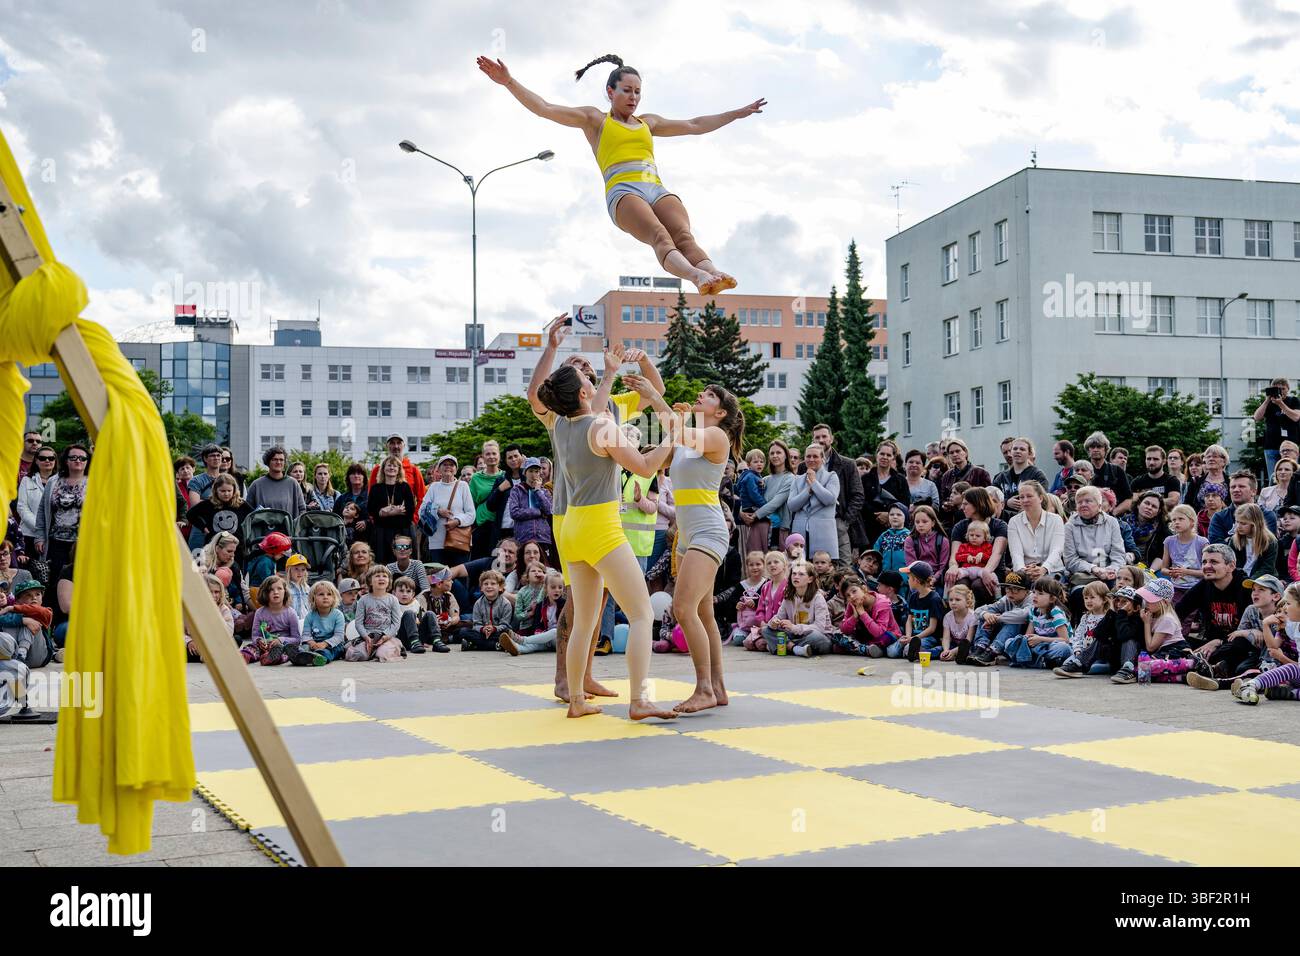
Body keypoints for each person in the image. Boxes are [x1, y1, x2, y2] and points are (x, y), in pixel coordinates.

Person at [479, 53, 762, 294]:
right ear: (610, 92)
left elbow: (695, 124)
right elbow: (545, 108)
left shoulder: (648, 123)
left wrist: (736, 113)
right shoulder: (595, 120)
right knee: (660, 236)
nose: (633, 97)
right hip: (624, 192)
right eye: (627, 90)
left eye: (638, 92)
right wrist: (509, 83)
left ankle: (712, 273)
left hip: (656, 188)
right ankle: (696, 276)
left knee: (685, 237)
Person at [534, 356, 677, 720]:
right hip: (600, 526)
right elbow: (645, 467)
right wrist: (671, 436)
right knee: (642, 614)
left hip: (571, 528)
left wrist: (611, 372)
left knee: (583, 620)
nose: (593, 378)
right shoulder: (602, 425)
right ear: (584, 391)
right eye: (588, 377)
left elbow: (595, 408)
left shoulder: (561, 425)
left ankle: (577, 699)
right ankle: (639, 699)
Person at [630, 376, 744, 711]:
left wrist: (654, 396)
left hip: (708, 531)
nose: (700, 394)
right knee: (703, 613)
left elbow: (682, 434)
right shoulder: (690, 438)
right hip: (687, 535)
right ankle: (718, 689)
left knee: (682, 609)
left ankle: (704, 689)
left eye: (708, 395)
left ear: (720, 412)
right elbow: (653, 458)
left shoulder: (716, 436)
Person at [1062, 485, 1126, 615]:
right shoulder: (1070, 526)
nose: (1083, 504)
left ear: (1099, 504)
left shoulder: (1112, 522)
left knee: (1121, 594)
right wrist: (1094, 569)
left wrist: (1113, 569)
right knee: (1081, 594)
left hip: (1109, 574)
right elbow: (1070, 560)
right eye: (1079, 502)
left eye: (1088, 501)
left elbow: (1118, 554)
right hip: (1085, 575)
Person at [34, 442, 90, 587]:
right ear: (66, 460)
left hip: (83, 542)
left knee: (82, 580)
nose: (78, 460)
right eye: (74, 457)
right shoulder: (54, 481)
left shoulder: (94, 482)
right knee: (55, 580)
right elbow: (42, 510)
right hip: (56, 542)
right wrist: (39, 537)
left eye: (82, 458)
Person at [1176, 543, 1249, 652]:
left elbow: (1253, 630)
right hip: (1209, 642)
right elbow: (1178, 612)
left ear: (1231, 566)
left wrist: (1220, 642)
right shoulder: (1203, 586)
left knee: (1237, 646)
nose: (1206, 566)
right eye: (1204, 562)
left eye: (1213, 562)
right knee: (1178, 646)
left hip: (1239, 643)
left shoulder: (1246, 587)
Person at [809, 424, 866, 557]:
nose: (821, 440)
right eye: (817, 437)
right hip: (813, 522)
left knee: (843, 566)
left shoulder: (848, 464)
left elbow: (858, 495)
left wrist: (845, 521)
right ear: (813, 440)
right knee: (815, 565)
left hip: (838, 521)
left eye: (824, 436)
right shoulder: (803, 466)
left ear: (831, 439)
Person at [761, 560, 832, 658]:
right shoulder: (789, 597)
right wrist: (773, 623)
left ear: (810, 579)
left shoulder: (818, 598)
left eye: (801, 574)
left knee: (816, 637)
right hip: (795, 636)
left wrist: (794, 627)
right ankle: (795, 648)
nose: (796, 576)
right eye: (794, 573)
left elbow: (819, 628)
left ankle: (784, 646)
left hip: (817, 637)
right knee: (766, 630)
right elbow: (778, 617)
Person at [789, 442, 842, 561]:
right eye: (808, 456)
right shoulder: (797, 480)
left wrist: (814, 484)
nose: (811, 459)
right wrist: (808, 491)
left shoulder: (831, 476)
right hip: (800, 533)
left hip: (823, 535)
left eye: (815, 456)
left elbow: (830, 499)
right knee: (800, 571)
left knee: (823, 571)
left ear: (822, 459)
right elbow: (792, 505)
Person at [419, 454, 475, 565]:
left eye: (451, 465)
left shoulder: (463, 486)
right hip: (437, 541)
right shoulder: (433, 487)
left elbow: (471, 514)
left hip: (459, 540)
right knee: (439, 578)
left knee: (459, 577)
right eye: (445, 464)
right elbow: (421, 511)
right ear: (439, 469)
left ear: (456, 469)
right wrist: (438, 511)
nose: (448, 467)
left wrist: (457, 521)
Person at [1006, 480, 1066, 583]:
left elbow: (1057, 550)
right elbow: (1016, 553)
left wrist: (1043, 569)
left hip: (1051, 571)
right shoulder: (1014, 521)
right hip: (1024, 571)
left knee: (1044, 587)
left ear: (1041, 498)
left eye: (1029, 496)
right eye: (1021, 497)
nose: (1025, 500)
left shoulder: (1056, 520)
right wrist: (1023, 571)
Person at [368, 455, 416, 564]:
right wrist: (382, 512)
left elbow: (409, 509)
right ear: (383, 468)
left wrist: (388, 512)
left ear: (399, 470)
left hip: (402, 531)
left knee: (402, 562)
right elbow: (371, 509)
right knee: (382, 562)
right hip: (381, 532)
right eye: (389, 465)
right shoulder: (376, 488)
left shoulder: (404, 487)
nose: (392, 468)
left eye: (395, 466)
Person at [859, 441, 910, 543]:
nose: (885, 457)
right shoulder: (865, 479)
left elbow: (905, 503)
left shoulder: (900, 480)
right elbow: (861, 501)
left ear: (893, 458)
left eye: (888, 455)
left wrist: (889, 515)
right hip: (869, 529)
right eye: (882, 453)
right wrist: (877, 515)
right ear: (876, 455)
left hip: (894, 529)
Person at [749, 440, 795, 551]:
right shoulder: (764, 479)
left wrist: (755, 515)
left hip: (778, 531)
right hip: (758, 527)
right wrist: (743, 513)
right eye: (772, 453)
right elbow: (749, 497)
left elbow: (775, 503)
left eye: (778, 453)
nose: (775, 456)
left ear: (786, 456)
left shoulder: (790, 478)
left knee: (776, 565)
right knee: (755, 564)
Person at [508, 457, 555, 564]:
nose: (534, 474)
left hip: (543, 537)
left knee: (543, 567)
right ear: (525, 472)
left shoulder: (544, 491)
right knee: (525, 567)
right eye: (531, 471)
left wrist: (538, 491)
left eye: (537, 471)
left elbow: (549, 510)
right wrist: (537, 512)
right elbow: (514, 512)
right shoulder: (517, 490)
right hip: (524, 536)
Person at [1252, 377, 1300, 481]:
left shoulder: (1293, 400)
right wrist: (1267, 400)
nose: (1280, 391)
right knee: (1273, 477)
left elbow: (1296, 417)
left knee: (1293, 475)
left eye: (1283, 388)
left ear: (1288, 389)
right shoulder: (1269, 403)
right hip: (1271, 445)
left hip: (1290, 446)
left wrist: (1281, 404)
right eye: (1277, 389)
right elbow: (1256, 417)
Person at [246, 576, 301, 665]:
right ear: (265, 593)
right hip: (263, 646)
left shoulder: (291, 613)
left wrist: (281, 640)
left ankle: (271, 658)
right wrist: (259, 641)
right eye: (271, 589)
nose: (276, 592)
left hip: (282, 646)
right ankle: (242, 657)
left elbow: (297, 639)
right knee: (250, 648)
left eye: (279, 588)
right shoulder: (260, 612)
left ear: (285, 592)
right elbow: (255, 636)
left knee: (287, 651)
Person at [1208, 471, 1276, 543]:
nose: (1236, 490)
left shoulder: (1267, 516)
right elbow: (1216, 547)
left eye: (1241, 486)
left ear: (1253, 492)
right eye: (1233, 487)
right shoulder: (1219, 517)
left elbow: (1265, 544)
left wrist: (1229, 540)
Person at [185, 474, 252, 546]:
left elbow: (254, 515)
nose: (226, 494)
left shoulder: (241, 504)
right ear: (216, 490)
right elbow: (190, 515)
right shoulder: (208, 504)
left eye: (229, 491)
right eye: (222, 491)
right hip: (214, 546)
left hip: (236, 547)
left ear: (234, 490)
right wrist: (203, 527)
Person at [939, 438, 991, 529]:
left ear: (965, 452)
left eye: (958, 451)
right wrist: (946, 505)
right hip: (952, 521)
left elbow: (987, 500)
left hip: (976, 521)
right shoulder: (946, 476)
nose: (955, 454)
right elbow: (943, 498)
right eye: (951, 453)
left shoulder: (981, 473)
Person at [245, 446, 306, 520]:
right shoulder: (256, 485)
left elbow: (302, 509)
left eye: (281, 460)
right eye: (275, 459)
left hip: (288, 530)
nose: (278, 462)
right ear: (268, 462)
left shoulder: (293, 483)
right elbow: (247, 511)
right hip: (264, 530)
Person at [15, 444, 55, 558]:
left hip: (53, 535)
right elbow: (22, 508)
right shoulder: (26, 480)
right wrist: (40, 528)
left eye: (51, 458)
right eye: (42, 458)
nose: (47, 460)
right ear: (36, 461)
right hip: (30, 534)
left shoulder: (61, 481)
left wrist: (49, 529)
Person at [992, 438, 1048, 517]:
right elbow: (990, 497)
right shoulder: (1001, 477)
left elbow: (1044, 498)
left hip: (1029, 518)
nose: (1018, 451)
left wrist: (1026, 502)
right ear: (1011, 452)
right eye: (1015, 449)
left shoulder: (1037, 474)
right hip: (1005, 521)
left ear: (1029, 453)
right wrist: (1007, 502)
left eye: (1022, 449)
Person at [296, 580, 347, 666]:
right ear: (313, 598)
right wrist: (311, 642)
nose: (325, 597)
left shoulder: (338, 615)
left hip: (332, 645)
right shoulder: (310, 616)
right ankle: (299, 657)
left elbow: (339, 636)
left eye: (329, 594)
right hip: (315, 643)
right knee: (304, 646)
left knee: (329, 651)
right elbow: (305, 634)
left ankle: (320, 658)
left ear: (334, 598)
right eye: (321, 594)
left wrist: (325, 644)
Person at [367, 434, 427, 504]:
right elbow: (370, 498)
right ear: (387, 446)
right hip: (382, 514)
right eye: (392, 443)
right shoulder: (378, 469)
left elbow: (422, 498)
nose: (396, 446)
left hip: (407, 514)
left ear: (404, 445)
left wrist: (414, 515)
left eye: (399, 443)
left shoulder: (414, 470)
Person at [1081, 432, 1132, 514]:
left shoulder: (1117, 471)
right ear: (1088, 450)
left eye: (1099, 446)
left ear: (1105, 449)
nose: (1095, 449)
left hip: (1113, 518)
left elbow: (1129, 499)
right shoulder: (1081, 470)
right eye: (1092, 447)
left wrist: (1113, 513)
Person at [1226, 504, 1278, 579]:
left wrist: (1250, 581)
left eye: (1243, 523)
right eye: (1237, 522)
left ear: (1255, 524)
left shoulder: (1270, 541)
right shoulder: (1234, 540)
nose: (1239, 526)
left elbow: (1267, 568)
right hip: (1238, 578)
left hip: (1262, 579)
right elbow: (1231, 564)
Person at [1130, 446, 1182, 511]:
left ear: (1164, 461)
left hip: (1164, 519)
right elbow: (1133, 502)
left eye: (1155, 459)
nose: (1151, 462)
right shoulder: (1137, 482)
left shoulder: (1172, 481)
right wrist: (1162, 501)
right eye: (1148, 459)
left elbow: (1173, 502)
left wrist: (1144, 500)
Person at [333, 464, 371, 541]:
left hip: (366, 539)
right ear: (348, 477)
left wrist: (366, 522)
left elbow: (377, 516)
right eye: (353, 473)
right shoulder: (342, 498)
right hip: (344, 540)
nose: (356, 476)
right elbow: (334, 517)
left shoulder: (371, 496)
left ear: (364, 477)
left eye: (359, 473)